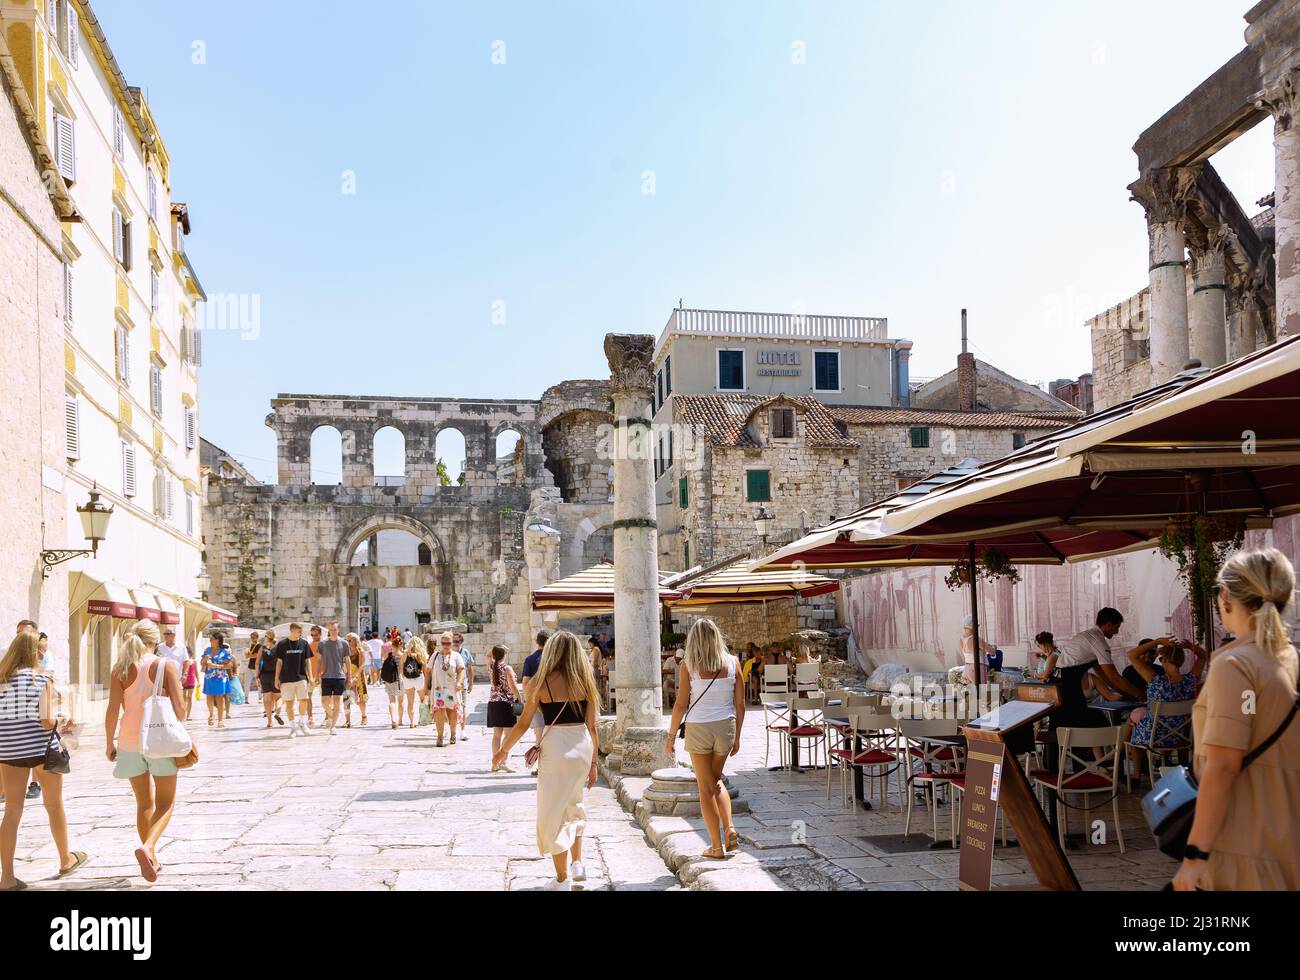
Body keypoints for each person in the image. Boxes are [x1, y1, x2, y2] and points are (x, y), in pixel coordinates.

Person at [1174, 547, 1300, 891]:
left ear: (1226, 597)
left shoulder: (1234, 665)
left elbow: (1223, 766)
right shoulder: (1288, 659)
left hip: (1243, 846)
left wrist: (1194, 856)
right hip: (1287, 838)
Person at [492, 631, 600, 890]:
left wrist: (503, 750)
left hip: (556, 750)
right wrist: (594, 763)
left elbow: (523, 724)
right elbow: (593, 726)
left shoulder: (541, 684)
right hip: (582, 747)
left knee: (552, 813)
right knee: (575, 804)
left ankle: (562, 878)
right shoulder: (586, 682)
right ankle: (578, 864)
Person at [0, 630, 87, 890]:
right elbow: (47, 721)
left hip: (8, 751)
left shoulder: (1, 680)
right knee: (53, 805)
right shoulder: (41, 679)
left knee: (12, 811)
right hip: (41, 749)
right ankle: (65, 859)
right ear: (34, 652)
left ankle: (6, 877)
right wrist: (65, 720)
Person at [104, 619, 187, 883]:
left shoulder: (120, 669)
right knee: (166, 802)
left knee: (143, 803)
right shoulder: (165, 665)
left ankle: (151, 858)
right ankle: (149, 848)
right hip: (159, 741)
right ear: (156, 641)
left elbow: (112, 709)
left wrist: (109, 742)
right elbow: (181, 710)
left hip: (128, 741)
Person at [664, 618, 745, 860]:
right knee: (715, 779)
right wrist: (737, 736)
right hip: (725, 727)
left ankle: (716, 847)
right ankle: (729, 827)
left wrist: (670, 738)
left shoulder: (689, 665)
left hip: (699, 726)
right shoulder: (733, 663)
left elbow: (680, 704)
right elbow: (740, 704)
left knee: (704, 787)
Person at [1124, 638, 1195, 779]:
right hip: (1179, 737)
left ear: (1165, 660)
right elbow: (1204, 657)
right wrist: (1191, 646)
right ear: (1180, 662)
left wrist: (1158, 641)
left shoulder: (1155, 680)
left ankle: (1136, 774)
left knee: (1134, 726)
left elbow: (1131, 655)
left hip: (1154, 736)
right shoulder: (1190, 680)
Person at [273, 623, 315, 737]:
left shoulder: (304, 643)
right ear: (292, 630)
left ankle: (301, 721)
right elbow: (279, 662)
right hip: (286, 678)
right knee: (289, 703)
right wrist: (276, 678)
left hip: (301, 677)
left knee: (304, 700)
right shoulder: (282, 644)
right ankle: (292, 727)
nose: (300, 633)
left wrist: (310, 676)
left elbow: (308, 661)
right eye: (298, 631)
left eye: (301, 631)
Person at [486, 645, 520, 772]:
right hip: (506, 704)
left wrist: (496, 648)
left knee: (496, 735)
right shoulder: (507, 668)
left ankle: (495, 763)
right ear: (504, 655)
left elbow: (487, 655)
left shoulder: (491, 666)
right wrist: (520, 699)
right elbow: (513, 686)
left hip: (494, 703)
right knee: (508, 734)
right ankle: (503, 761)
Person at [428, 632, 464, 747]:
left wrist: (459, 682)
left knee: (452, 712)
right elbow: (428, 671)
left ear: (452, 643)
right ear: (440, 643)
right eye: (443, 643)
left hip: (452, 689)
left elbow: (461, 670)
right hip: (438, 690)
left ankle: (453, 734)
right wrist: (425, 687)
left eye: (448, 643)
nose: (446, 645)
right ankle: (439, 737)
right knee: (439, 713)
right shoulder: (435, 656)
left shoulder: (456, 656)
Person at [520, 630, 549, 776]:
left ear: (537, 642)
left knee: (539, 736)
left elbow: (525, 682)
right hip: (551, 702)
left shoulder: (530, 659)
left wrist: (528, 701)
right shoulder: (553, 659)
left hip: (535, 702)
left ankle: (541, 768)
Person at [317, 621, 349, 735]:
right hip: (326, 676)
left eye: (335, 629)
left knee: (337, 701)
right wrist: (316, 674)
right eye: (331, 629)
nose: (333, 631)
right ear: (328, 630)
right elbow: (319, 660)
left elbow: (347, 660)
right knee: (324, 702)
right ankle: (331, 716)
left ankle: (333, 726)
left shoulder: (344, 643)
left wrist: (349, 675)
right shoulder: (323, 643)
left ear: (338, 630)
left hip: (339, 676)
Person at [201, 632, 234, 730]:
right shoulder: (207, 650)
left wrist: (217, 666)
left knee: (220, 698)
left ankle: (220, 720)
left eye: (211, 639)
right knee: (209, 698)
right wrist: (205, 659)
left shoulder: (225, 652)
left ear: (217, 640)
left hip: (220, 677)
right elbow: (201, 663)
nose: (210, 641)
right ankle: (211, 715)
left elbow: (229, 665)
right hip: (209, 677)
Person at [956, 615, 996, 684]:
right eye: (977, 626)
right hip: (977, 668)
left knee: (970, 693)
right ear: (973, 626)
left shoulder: (961, 640)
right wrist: (994, 647)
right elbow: (991, 652)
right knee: (981, 692)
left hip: (966, 669)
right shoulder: (976, 639)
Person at [399, 635, 426, 729]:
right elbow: (425, 670)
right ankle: (422, 719)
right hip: (419, 679)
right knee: (423, 700)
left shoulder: (405, 654)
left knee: (410, 702)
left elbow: (401, 669)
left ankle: (411, 722)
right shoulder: (421, 654)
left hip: (407, 679)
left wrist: (404, 677)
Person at [258, 629, 284, 728]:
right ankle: (277, 712)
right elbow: (281, 662)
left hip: (264, 675)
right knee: (279, 697)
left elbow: (257, 663)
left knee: (267, 700)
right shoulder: (279, 648)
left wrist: (257, 676)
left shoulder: (262, 648)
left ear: (267, 637)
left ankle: (269, 722)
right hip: (276, 675)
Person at [342, 632, 369, 728]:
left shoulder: (360, 651)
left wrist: (355, 677)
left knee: (361, 700)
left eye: (349, 640)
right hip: (347, 677)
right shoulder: (345, 651)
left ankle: (364, 716)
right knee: (346, 699)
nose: (348, 642)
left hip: (358, 678)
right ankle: (347, 721)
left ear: (355, 640)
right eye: (346, 640)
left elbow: (362, 665)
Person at [452, 633, 474, 741]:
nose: (454, 644)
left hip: (463, 685)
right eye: (453, 641)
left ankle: (463, 730)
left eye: (456, 642)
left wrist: (471, 683)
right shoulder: (448, 653)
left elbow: (470, 669)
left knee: (463, 707)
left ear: (461, 642)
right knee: (451, 708)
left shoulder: (465, 653)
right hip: (450, 686)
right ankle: (453, 731)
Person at [381, 642, 401, 729]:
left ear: (392, 646)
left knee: (392, 701)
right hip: (399, 680)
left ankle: (393, 719)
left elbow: (383, 664)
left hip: (389, 680)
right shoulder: (402, 655)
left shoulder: (387, 655)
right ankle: (400, 720)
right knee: (401, 702)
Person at [306, 625, 323, 727]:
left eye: (315, 635)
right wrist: (309, 675)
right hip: (311, 675)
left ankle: (326, 717)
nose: (313, 637)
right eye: (312, 635)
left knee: (325, 698)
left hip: (323, 675)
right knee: (308, 696)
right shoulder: (309, 645)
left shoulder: (325, 645)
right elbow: (306, 661)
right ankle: (310, 718)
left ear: (320, 634)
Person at [180, 647, 199, 721]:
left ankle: (188, 715)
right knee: (183, 698)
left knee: (189, 697)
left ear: (190, 653)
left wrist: (199, 681)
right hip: (184, 680)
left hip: (191, 680)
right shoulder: (183, 661)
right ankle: (184, 714)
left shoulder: (194, 662)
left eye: (188, 652)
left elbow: (196, 672)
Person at [245, 631, 262, 701]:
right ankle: (246, 698)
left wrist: (249, 655)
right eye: (251, 638)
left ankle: (260, 697)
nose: (252, 639)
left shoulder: (259, 646)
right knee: (247, 682)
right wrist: (250, 655)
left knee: (259, 683)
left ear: (257, 638)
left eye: (254, 637)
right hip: (250, 666)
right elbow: (247, 655)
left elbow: (256, 656)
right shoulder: (251, 645)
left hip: (256, 667)